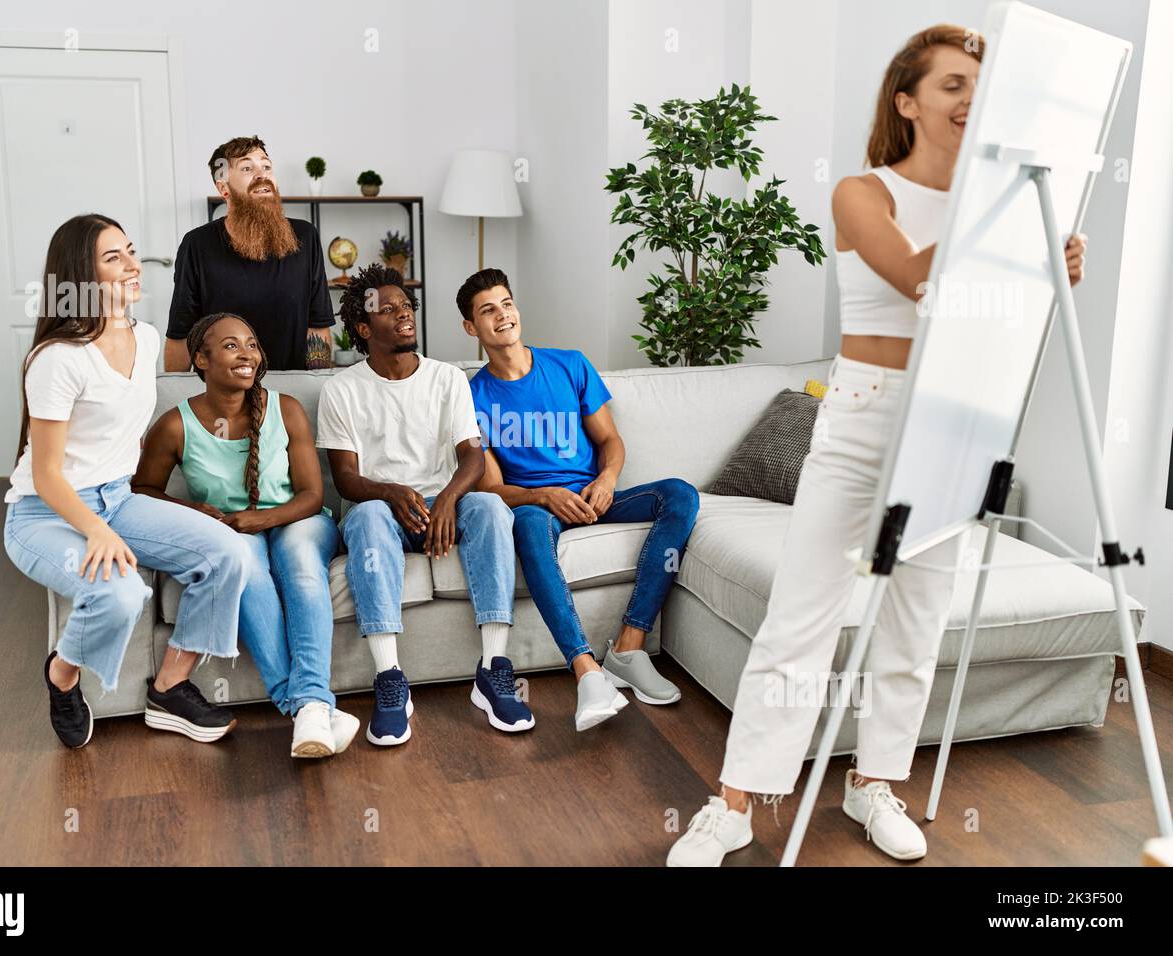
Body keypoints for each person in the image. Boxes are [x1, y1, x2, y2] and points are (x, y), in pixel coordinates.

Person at [668, 24, 1089, 866]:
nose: (971, 99)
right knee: (801, 618)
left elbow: (990, 319)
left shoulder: (999, 204)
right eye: (951, 85)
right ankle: (736, 802)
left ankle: (874, 784)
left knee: (917, 619)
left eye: (981, 85)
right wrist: (1020, 239)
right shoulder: (863, 194)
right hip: (862, 418)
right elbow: (926, 282)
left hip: (951, 418)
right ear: (907, 100)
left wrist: (1050, 271)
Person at [4, 214, 252, 750]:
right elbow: (46, 475)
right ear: (79, 276)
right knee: (119, 595)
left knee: (229, 553)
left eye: (132, 252)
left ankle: (171, 686)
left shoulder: (144, 337)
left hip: (118, 498)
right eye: (113, 258)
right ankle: (62, 676)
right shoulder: (56, 359)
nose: (134, 266)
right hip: (45, 513)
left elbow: (122, 432)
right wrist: (96, 529)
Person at [458, 268, 700, 732]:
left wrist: (607, 480)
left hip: (595, 496)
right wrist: (544, 495)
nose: (502, 315)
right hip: (539, 506)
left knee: (680, 495)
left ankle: (628, 648)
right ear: (472, 328)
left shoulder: (570, 365)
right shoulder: (472, 396)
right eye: (488, 310)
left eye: (506, 303)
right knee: (527, 524)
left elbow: (610, 440)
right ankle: (586, 671)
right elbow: (489, 488)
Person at [315, 263, 531, 746]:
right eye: (388, 309)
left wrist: (450, 500)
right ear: (364, 328)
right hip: (380, 507)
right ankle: (390, 678)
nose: (404, 315)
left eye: (407, 306)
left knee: (493, 509)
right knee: (368, 516)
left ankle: (493, 667)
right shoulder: (341, 389)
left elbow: (472, 456)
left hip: (442, 500)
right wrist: (391, 492)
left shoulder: (447, 378)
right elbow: (347, 479)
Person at [134, 312, 360, 758]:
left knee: (298, 564)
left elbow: (313, 495)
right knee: (246, 571)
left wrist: (260, 519)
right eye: (232, 345)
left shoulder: (287, 408)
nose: (247, 355)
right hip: (232, 531)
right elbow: (142, 490)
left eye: (252, 344)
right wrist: (195, 511)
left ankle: (308, 699)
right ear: (201, 358)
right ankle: (308, 711)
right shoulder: (175, 425)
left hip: (298, 520)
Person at [164, 135, 335, 372]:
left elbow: (317, 326)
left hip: (291, 389)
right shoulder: (197, 245)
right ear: (223, 188)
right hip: (222, 394)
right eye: (247, 168)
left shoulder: (305, 237)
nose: (261, 174)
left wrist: (317, 386)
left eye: (266, 166)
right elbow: (181, 335)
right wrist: (177, 398)